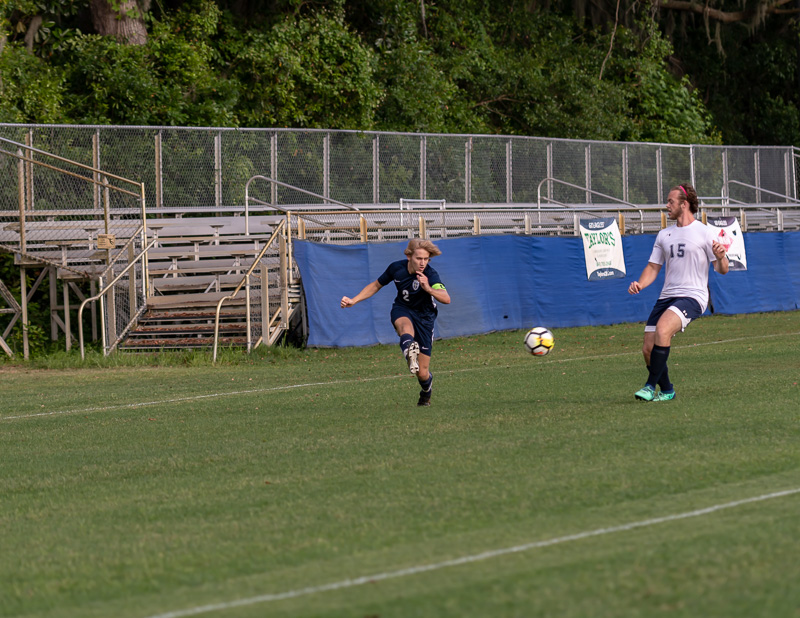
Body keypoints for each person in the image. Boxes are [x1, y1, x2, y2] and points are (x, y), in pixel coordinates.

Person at [628, 183, 729, 402]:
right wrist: (640, 284)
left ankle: (649, 386)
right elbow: (653, 267)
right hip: (667, 296)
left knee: (662, 331)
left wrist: (721, 257)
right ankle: (667, 390)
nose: (667, 205)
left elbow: (722, 270)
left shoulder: (705, 232)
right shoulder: (665, 234)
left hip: (693, 296)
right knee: (647, 348)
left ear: (684, 204)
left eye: (670, 201)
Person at [341, 239, 451, 406]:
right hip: (403, 309)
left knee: (422, 373)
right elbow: (376, 285)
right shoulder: (396, 268)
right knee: (404, 326)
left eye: (426, 259)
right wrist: (354, 300)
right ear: (408, 256)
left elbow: (446, 298)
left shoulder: (431, 275)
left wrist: (428, 288)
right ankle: (408, 350)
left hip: (425, 318)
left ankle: (426, 392)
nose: (422, 263)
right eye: (418, 258)